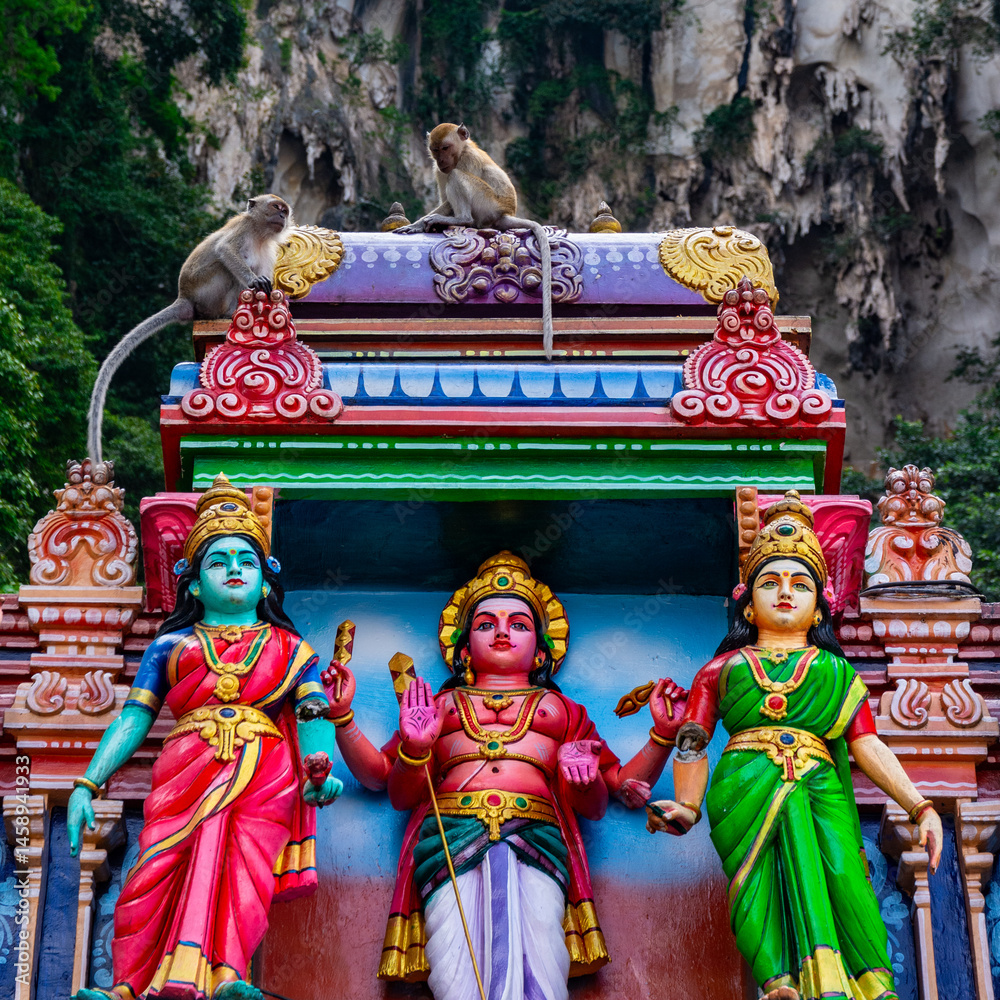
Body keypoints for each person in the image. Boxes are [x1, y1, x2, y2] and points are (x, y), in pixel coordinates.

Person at [322, 551, 687, 1000]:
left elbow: (615, 791)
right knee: (455, 962)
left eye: (518, 623)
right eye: (485, 624)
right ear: (462, 648)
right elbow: (386, 783)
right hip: (450, 838)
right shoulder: (438, 708)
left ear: (540, 648)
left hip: (537, 839)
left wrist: (661, 737)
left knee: (540, 951)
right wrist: (348, 721)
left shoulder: (564, 712)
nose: (500, 632)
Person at [646, 491, 943, 1000]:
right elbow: (693, 741)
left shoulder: (835, 671)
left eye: (800, 584)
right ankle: (780, 980)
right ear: (747, 599)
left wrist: (920, 806)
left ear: (819, 607)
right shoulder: (721, 670)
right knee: (755, 887)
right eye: (770, 582)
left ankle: (857, 983)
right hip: (744, 785)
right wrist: (688, 807)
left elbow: (865, 744)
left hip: (820, 784)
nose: (785, 593)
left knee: (845, 880)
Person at [67, 474, 343, 1000]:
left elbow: (312, 711)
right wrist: (87, 783)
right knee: (157, 865)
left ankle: (225, 974)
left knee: (244, 867)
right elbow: (132, 720)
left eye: (248, 561)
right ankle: (129, 984)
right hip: (184, 767)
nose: (235, 569)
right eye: (219, 562)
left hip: (263, 772)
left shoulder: (290, 647)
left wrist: (319, 770)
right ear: (193, 584)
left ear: (265, 583)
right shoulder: (171, 646)